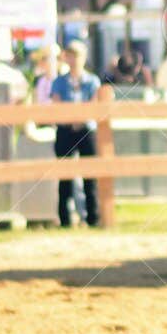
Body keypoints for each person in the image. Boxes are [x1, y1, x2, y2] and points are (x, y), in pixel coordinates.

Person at [50, 40, 101, 228]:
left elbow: (94, 104)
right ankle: (65, 220)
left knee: (90, 177)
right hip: (65, 129)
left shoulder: (92, 81)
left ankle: (93, 218)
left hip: (86, 129)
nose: (73, 60)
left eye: (76, 56)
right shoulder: (59, 81)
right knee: (65, 177)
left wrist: (80, 117)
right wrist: (72, 117)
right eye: (70, 56)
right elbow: (56, 104)